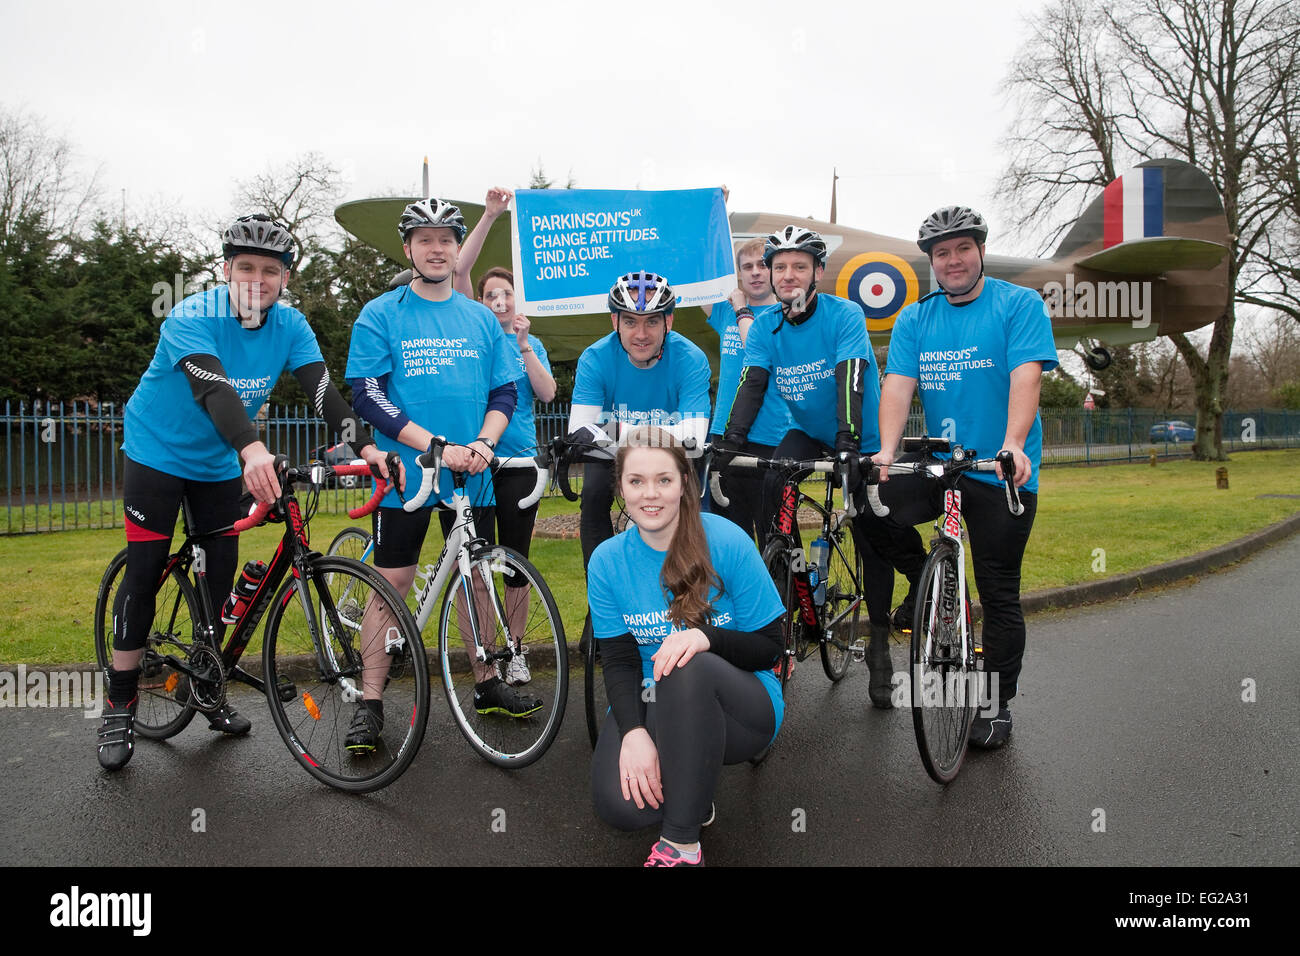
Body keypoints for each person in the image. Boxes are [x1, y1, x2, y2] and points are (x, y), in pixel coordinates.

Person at [97, 214, 394, 771]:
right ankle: (120, 700)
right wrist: (252, 449)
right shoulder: (191, 316)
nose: (257, 280)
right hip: (156, 452)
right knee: (144, 572)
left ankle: (206, 687)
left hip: (216, 463)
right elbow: (215, 390)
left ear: (285, 279)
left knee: (220, 578)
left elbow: (325, 394)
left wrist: (369, 447)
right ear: (226, 269)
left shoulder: (291, 327)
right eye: (246, 268)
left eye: (270, 271)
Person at [344, 197, 534, 751]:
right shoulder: (381, 313)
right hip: (408, 473)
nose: (436, 248)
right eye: (424, 239)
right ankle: (371, 702)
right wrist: (434, 445)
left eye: (446, 239)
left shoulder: (478, 317)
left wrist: (483, 442)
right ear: (408, 249)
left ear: (457, 250)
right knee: (392, 583)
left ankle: (488, 683)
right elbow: (369, 394)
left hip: (470, 470)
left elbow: (505, 389)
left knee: (478, 578)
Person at [872, 206, 1058, 748]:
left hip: (999, 469)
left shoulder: (1017, 305)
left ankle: (996, 707)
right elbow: (898, 387)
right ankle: (919, 584)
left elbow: (1026, 379)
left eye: (962, 249)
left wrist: (1014, 445)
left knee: (999, 593)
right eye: (941, 253)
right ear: (932, 261)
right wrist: (885, 452)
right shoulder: (915, 318)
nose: (952, 261)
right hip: (943, 464)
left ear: (980, 250)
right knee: (869, 504)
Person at [714, 225, 900, 707]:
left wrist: (847, 444)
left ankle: (878, 644)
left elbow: (850, 377)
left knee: (870, 538)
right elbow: (751, 384)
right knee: (776, 476)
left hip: (861, 432)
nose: (788, 275)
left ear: (818, 272)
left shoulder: (843, 314)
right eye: (780, 268)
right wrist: (729, 443)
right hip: (809, 433)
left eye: (800, 266)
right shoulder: (769, 325)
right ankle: (793, 574)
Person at [588, 428, 785, 866]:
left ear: (684, 484)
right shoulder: (606, 561)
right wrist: (634, 733)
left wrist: (705, 637)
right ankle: (694, 793)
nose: (650, 494)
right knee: (619, 807)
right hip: (652, 696)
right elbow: (618, 662)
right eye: (636, 481)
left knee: (684, 660)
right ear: (620, 486)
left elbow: (772, 647)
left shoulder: (726, 540)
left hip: (742, 705)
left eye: (664, 480)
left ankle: (680, 844)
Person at [566, 271, 712, 632]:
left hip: (668, 457)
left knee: (689, 500)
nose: (641, 334)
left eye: (651, 322)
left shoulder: (691, 358)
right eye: (630, 321)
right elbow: (579, 430)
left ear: (669, 321)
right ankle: (598, 605)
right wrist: (658, 434)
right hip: (617, 458)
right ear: (615, 320)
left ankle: (687, 598)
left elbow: (693, 439)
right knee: (595, 493)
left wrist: (618, 431)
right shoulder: (595, 357)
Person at [702, 237, 792, 543]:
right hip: (725, 431)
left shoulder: (786, 315)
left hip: (769, 435)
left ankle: (785, 591)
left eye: (762, 265)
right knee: (728, 533)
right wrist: (713, 215)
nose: (755, 272)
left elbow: (755, 345)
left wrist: (742, 308)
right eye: (747, 266)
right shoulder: (725, 311)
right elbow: (702, 274)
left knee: (775, 533)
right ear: (738, 274)